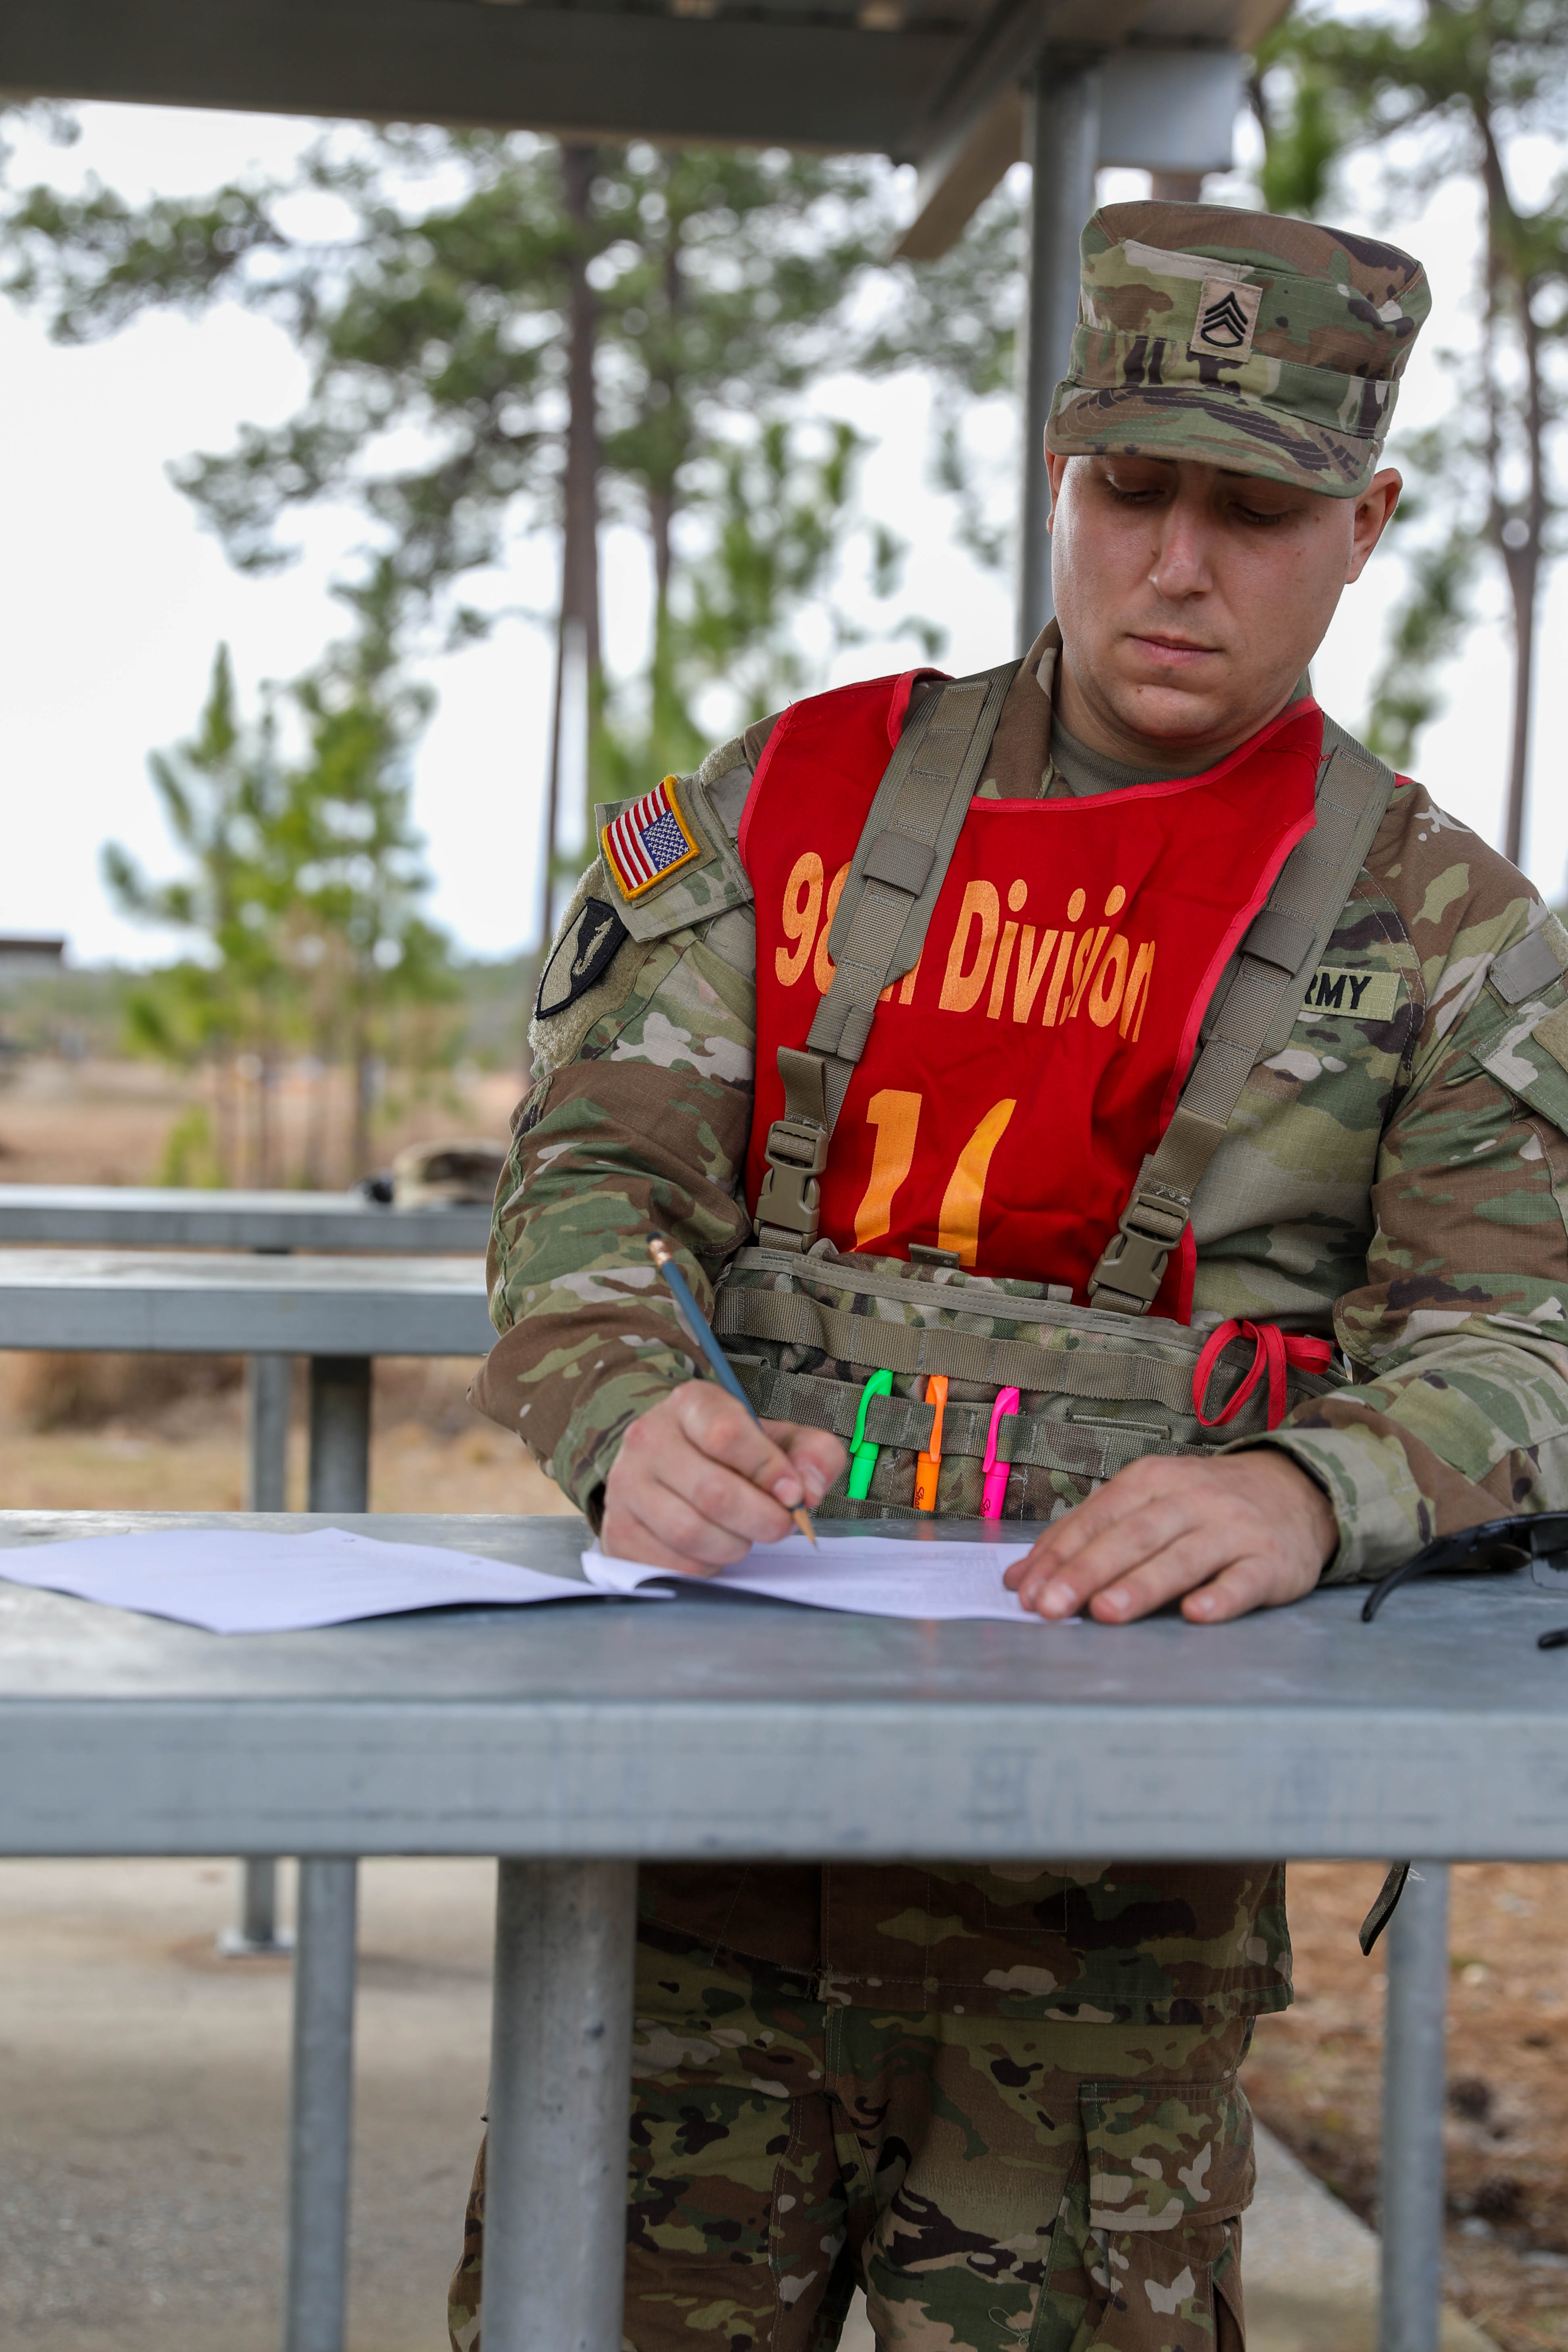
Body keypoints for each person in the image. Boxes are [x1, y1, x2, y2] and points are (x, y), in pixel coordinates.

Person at [449, 202, 1568, 2352]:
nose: (1174, 563)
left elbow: (1520, 1334)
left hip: (1110, 1938)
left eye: (1254, 510)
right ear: (1065, 475)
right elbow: (589, 1175)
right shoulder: (809, 795)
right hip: (691, 1863)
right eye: (1129, 489)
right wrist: (622, 1411)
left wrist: (1310, 1489)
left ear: (1367, 525)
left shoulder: (1445, 936)